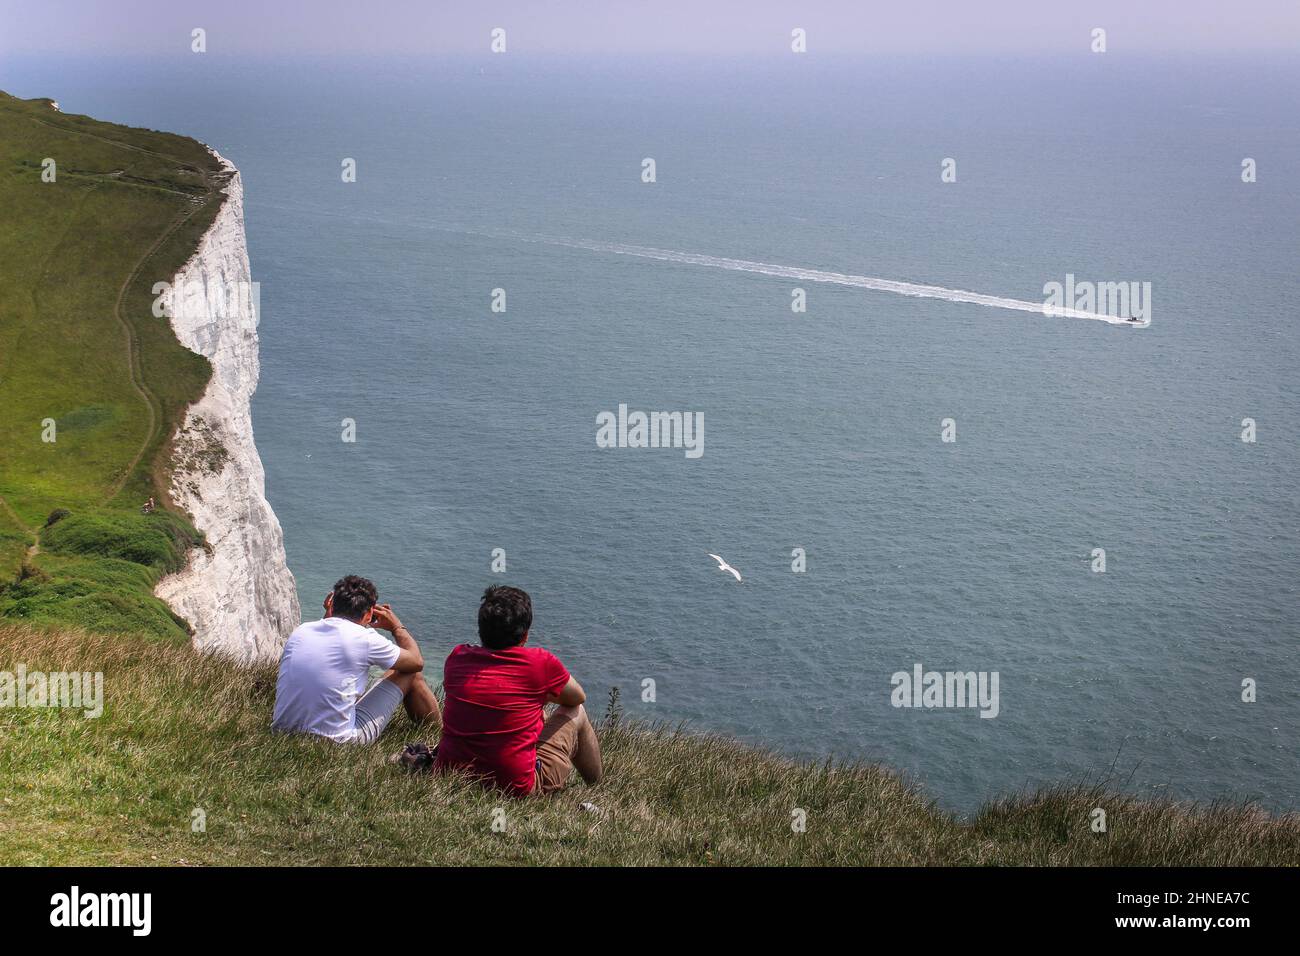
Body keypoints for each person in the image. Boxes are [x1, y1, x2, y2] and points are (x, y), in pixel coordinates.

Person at [434, 585, 602, 797]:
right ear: (525, 636)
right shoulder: (540, 663)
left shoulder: (457, 657)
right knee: (576, 712)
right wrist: (540, 695)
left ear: (481, 629)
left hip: (450, 774)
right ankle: (597, 788)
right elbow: (577, 697)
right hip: (515, 788)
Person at [272, 575, 439, 743]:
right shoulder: (365, 639)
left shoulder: (301, 631)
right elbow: (416, 662)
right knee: (411, 673)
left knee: (384, 674)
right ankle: (439, 736)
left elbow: (327, 647)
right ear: (368, 614)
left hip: (282, 732)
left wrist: (328, 613)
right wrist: (396, 627)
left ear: (331, 603)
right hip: (337, 742)